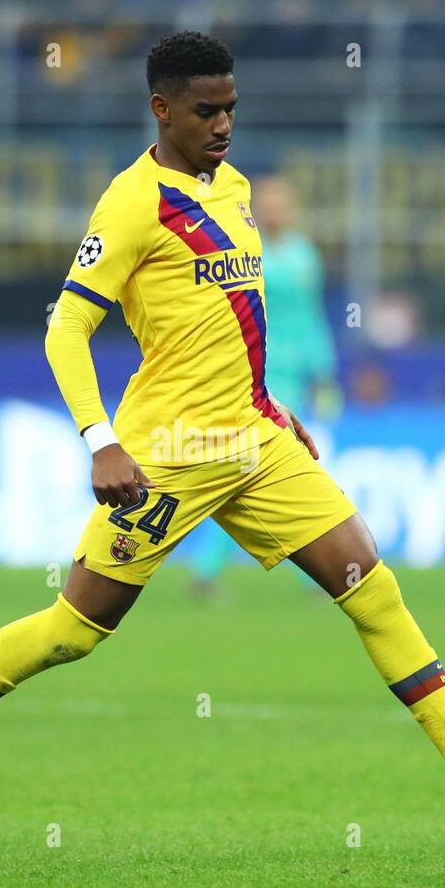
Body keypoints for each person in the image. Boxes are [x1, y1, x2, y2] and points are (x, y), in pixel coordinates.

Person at [0, 31, 445, 847]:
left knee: (369, 584)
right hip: (165, 454)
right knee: (73, 631)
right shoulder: (133, 203)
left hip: (256, 438)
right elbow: (66, 329)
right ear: (162, 109)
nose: (224, 124)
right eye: (206, 111)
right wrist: (101, 440)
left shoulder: (233, 187)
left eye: (231, 108)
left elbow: (227, 318)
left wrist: (268, 399)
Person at [188, 172, 341, 592]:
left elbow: (311, 318)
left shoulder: (304, 257)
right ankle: (322, 575)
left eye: (280, 202)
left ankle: (207, 571)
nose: (273, 210)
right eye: (267, 202)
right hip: (248, 375)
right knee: (259, 475)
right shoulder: (241, 248)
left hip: (288, 377)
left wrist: (324, 376)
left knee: (255, 474)